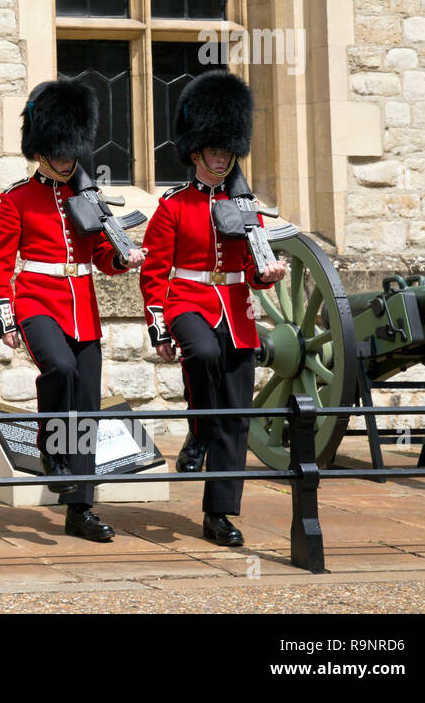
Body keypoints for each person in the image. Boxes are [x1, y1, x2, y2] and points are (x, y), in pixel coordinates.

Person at [0, 79, 146, 542]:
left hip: (82, 307)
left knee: (87, 408)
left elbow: (98, 256)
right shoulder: (17, 200)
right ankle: (49, 445)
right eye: (56, 150)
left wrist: (121, 258)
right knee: (58, 369)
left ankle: (80, 507)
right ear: (42, 149)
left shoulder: (87, 199)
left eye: (69, 150)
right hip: (35, 300)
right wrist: (4, 313)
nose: (63, 158)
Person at [139, 69, 288, 546]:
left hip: (238, 310)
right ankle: (197, 428)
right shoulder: (173, 207)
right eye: (215, 150)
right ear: (197, 152)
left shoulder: (247, 207)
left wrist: (269, 274)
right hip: (188, 302)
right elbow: (154, 272)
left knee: (237, 415)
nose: (222, 158)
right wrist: (160, 326)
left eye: (227, 151)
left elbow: (254, 265)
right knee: (200, 354)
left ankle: (219, 514)